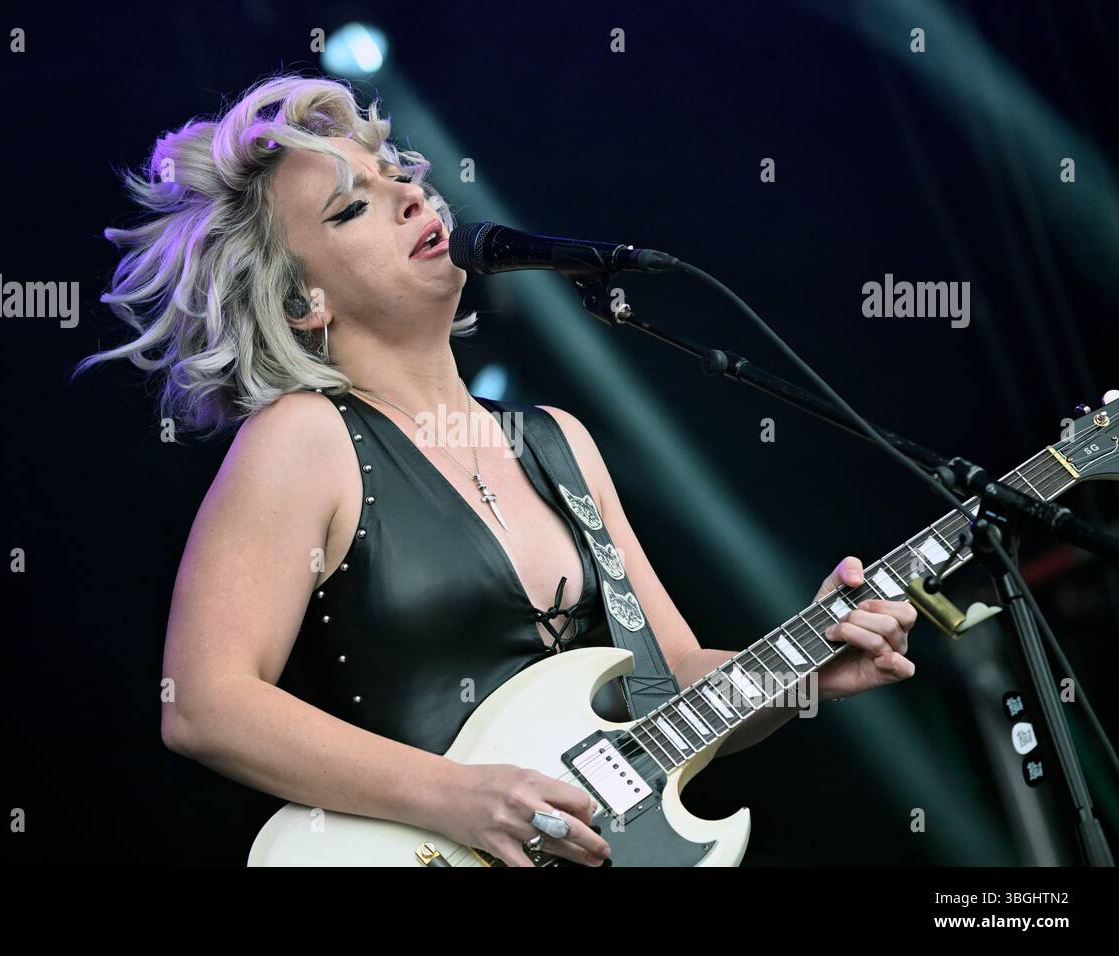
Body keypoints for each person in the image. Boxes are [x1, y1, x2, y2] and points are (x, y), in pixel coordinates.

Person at [74, 72, 918, 867]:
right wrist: (458, 799)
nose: (412, 194)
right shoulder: (303, 438)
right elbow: (203, 703)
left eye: (397, 170)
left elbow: (664, 686)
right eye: (352, 208)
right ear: (304, 302)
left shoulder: (558, 441)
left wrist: (799, 671)